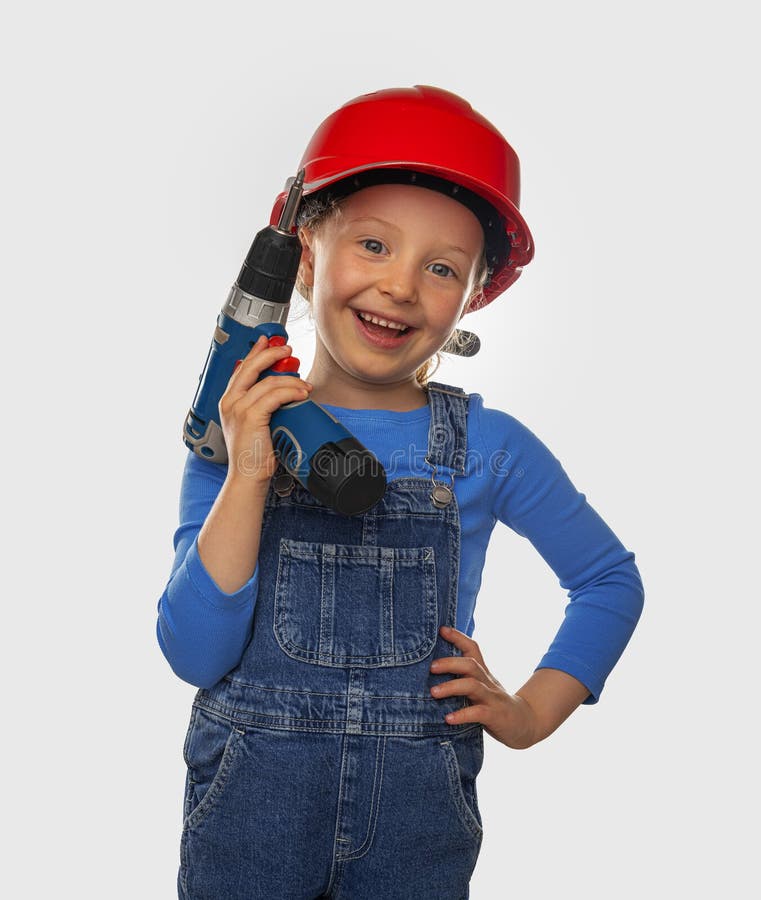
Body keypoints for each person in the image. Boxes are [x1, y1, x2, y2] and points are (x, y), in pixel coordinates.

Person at [157, 85, 644, 900]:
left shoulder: (489, 448)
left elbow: (607, 582)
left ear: (472, 297)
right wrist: (247, 471)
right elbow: (193, 654)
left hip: (416, 822)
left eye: (441, 267)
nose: (400, 286)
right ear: (304, 253)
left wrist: (528, 716)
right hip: (250, 815)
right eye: (373, 245)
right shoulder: (233, 430)